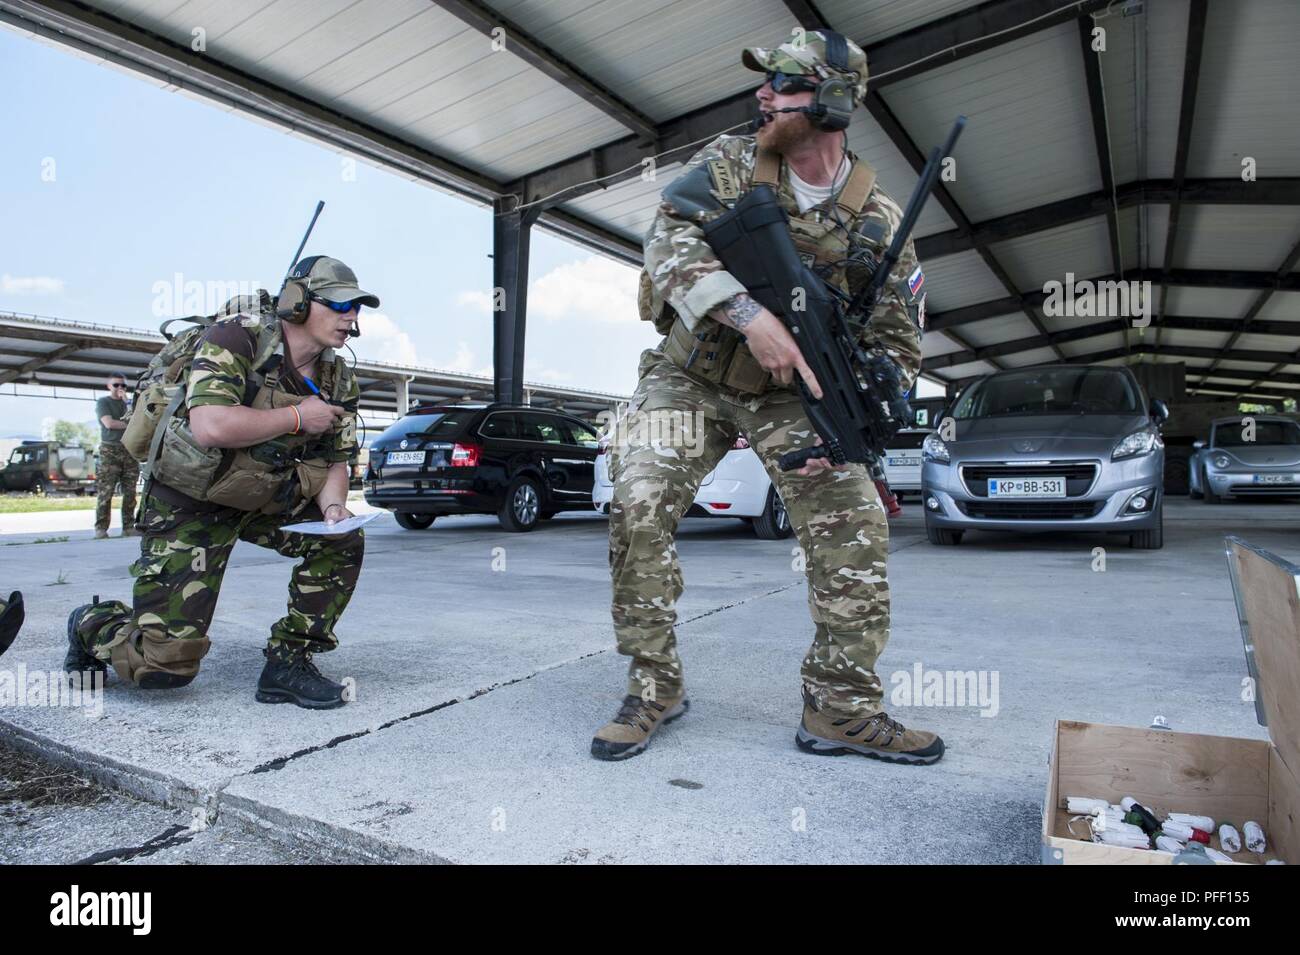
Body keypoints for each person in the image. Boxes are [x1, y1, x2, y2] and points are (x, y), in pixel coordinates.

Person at [592, 30, 943, 764]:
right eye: (769, 82)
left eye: (785, 84)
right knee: (638, 497)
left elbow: (898, 344)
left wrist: (854, 421)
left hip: (796, 394)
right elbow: (668, 243)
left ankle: (841, 708)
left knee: (853, 524)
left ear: (835, 100)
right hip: (690, 372)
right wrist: (750, 318)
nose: (765, 95)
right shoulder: (729, 162)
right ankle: (653, 683)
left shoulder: (878, 220)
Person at [63, 256, 377, 709]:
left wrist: (332, 508)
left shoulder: (337, 378)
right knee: (164, 669)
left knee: (342, 538)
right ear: (298, 303)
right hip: (190, 501)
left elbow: (334, 458)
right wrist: (295, 417)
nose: (351, 317)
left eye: (357, 308)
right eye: (340, 304)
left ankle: (290, 661)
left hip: (263, 497)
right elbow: (210, 425)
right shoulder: (235, 339)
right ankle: (91, 623)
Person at [94, 373, 140, 539]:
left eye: (123, 386)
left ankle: (128, 526)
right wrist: (129, 424)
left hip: (129, 449)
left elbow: (137, 420)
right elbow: (109, 423)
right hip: (110, 450)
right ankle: (101, 528)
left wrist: (127, 402)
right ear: (109, 386)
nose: (120, 388)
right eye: (116, 385)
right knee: (106, 491)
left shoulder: (129, 404)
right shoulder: (103, 402)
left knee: (130, 492)